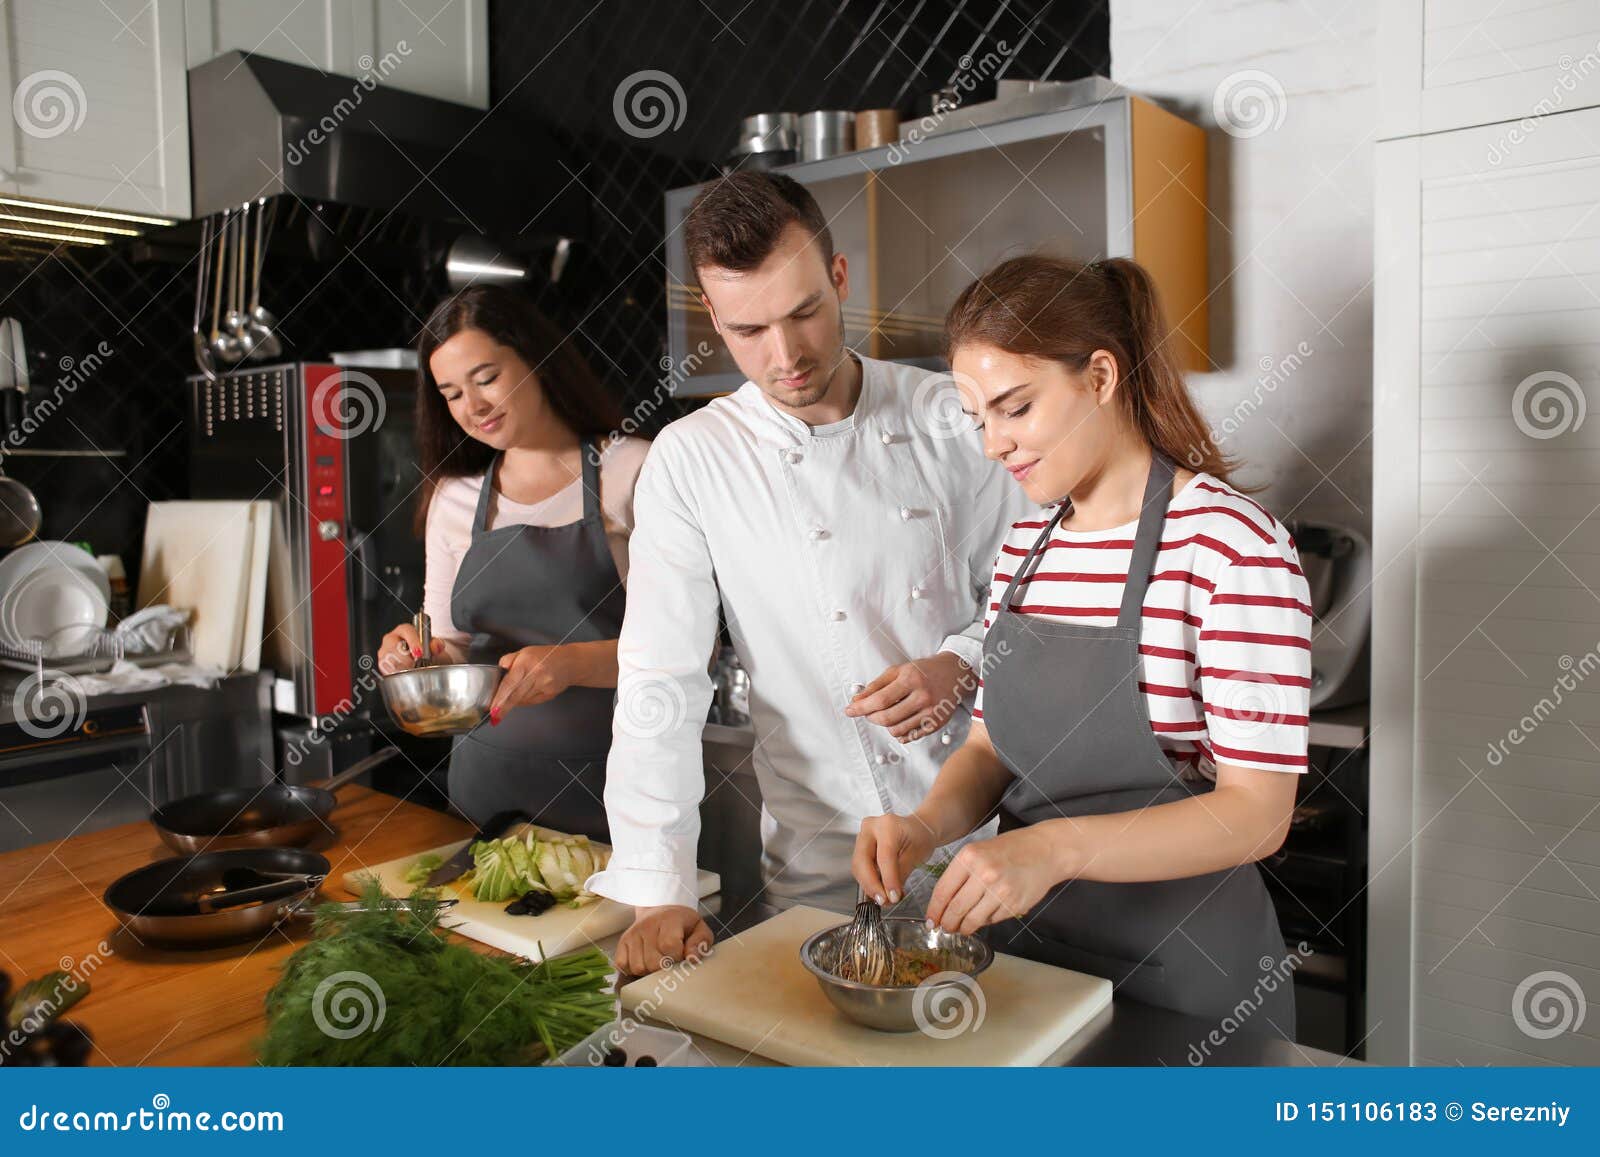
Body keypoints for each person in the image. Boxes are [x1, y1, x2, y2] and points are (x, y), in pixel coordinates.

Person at [584, 172, 1030, 975]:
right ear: (714, 319)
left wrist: (960, 662)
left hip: (981, 850)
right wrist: (664, 892)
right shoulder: (693, 462)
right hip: (819, 863)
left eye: (803, 314)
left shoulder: (952, 417)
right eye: (749, 329)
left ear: (839, 278)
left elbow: (1033, 597)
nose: (785, 356)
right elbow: (661, 678)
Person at [854, 254, 1310, 1030]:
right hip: (1029, 969)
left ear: (1100, 376)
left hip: (1187, 985)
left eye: (1015, 407)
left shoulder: (1232, 547)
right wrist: (926, 824)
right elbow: (993, 747)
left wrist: (1053, 850)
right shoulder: (1027, 548)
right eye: (979, 418)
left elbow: (1257, 814)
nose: (993, 444)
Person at [376, 285, 648, 840]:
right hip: (485, 788)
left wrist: (571, 665)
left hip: (618, 785)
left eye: (486, 378)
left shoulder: (632, 470)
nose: (472, 407)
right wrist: (416, 653)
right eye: (451, 393)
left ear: (537, 359)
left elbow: (689, 648)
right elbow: (449, 642)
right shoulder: (453, 497)